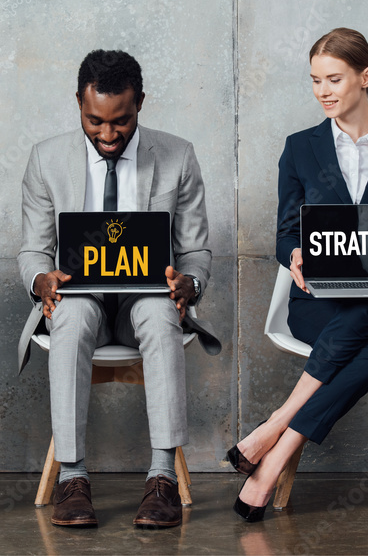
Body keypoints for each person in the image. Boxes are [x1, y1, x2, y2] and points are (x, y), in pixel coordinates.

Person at [227, 28, 368, 522]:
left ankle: (274, 429)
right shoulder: (300, 148)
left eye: (334, 79)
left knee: (366, 311)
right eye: (315, 81)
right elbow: (285, 233)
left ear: (366, 76)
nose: (323, 91)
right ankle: (272, 459)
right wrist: (293, 254)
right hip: (319, 302)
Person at [16, 49, 219, 529]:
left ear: (140, 103)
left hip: (143, 298)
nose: (107, 134)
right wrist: (40, 279)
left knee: (157, 310)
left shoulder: (177, 156)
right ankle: (72, 477)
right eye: (94, 122)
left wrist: (188, 283)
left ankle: (162, 478)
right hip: (78, 296)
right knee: (69, 311)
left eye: (120, 121)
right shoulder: (46, 159)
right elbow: (33, 250)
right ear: (79, 106)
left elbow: (195, 253)